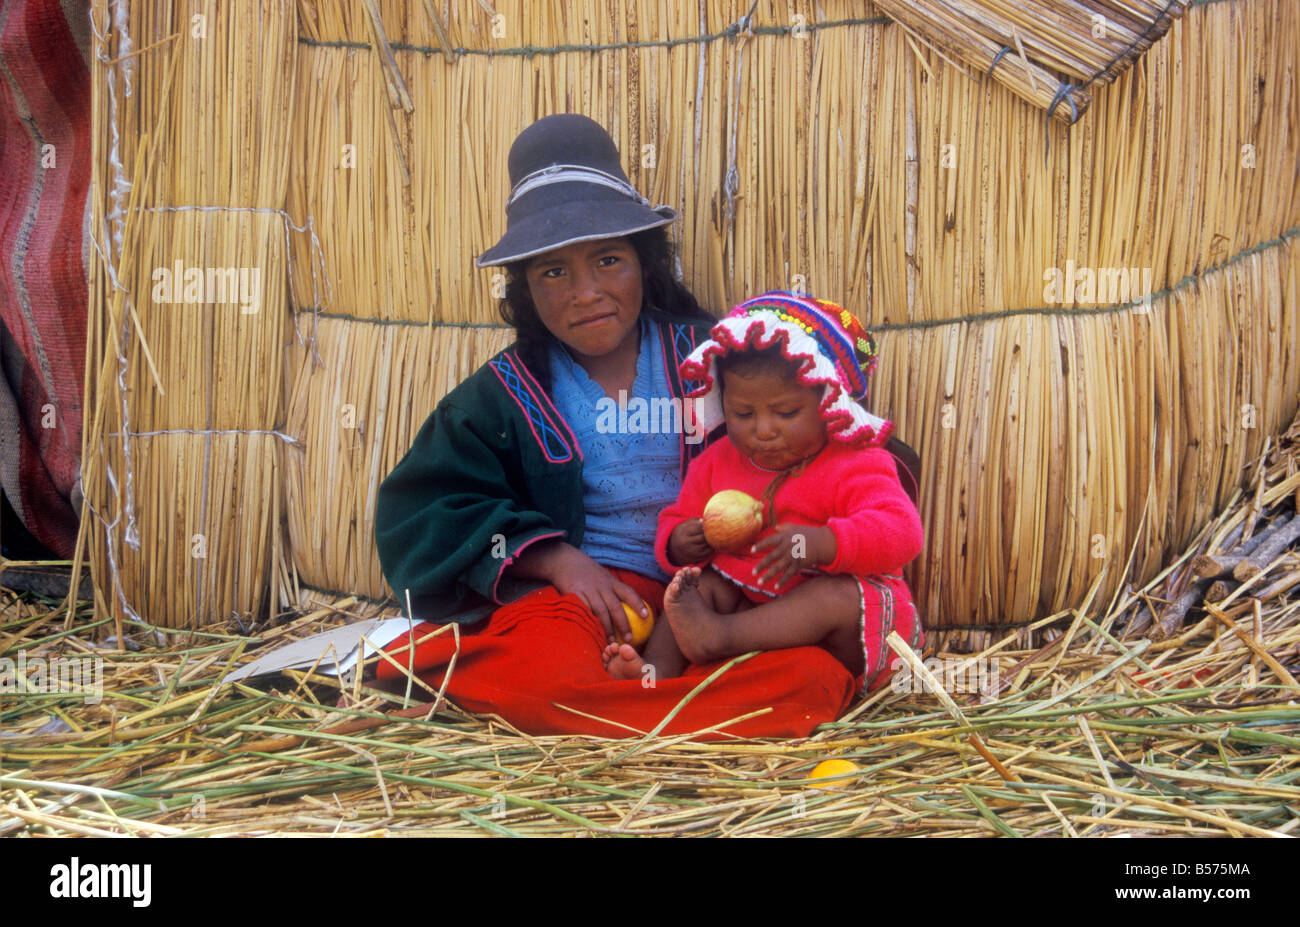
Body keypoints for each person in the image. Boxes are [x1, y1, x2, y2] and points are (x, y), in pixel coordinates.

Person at [373, 114, 862, 738]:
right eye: (553, 272)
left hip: (723, 600)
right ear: (524, 287)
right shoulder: (506, 395)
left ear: (645, 264)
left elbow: (840, 434)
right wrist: (555, 559)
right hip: (591, 606)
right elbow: (422, 514)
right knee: (546, 676)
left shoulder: (715, 361)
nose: (586, 292)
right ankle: (637, 706)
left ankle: (568, 705)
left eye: (608, 260)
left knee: (814, 679)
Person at [602, 293, 925, 688]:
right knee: (695, 587)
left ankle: (718, 639)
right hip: (752, 606)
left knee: (832, 596)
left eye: (786, 413)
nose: (764, 430)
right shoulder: (717, 461)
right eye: (743, 413)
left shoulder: (856, 460)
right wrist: (679, 542)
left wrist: (823, 543)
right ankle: (653, 675)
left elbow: (903, 532)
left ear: (828, 402)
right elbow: (677, 517)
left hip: (843, 633)